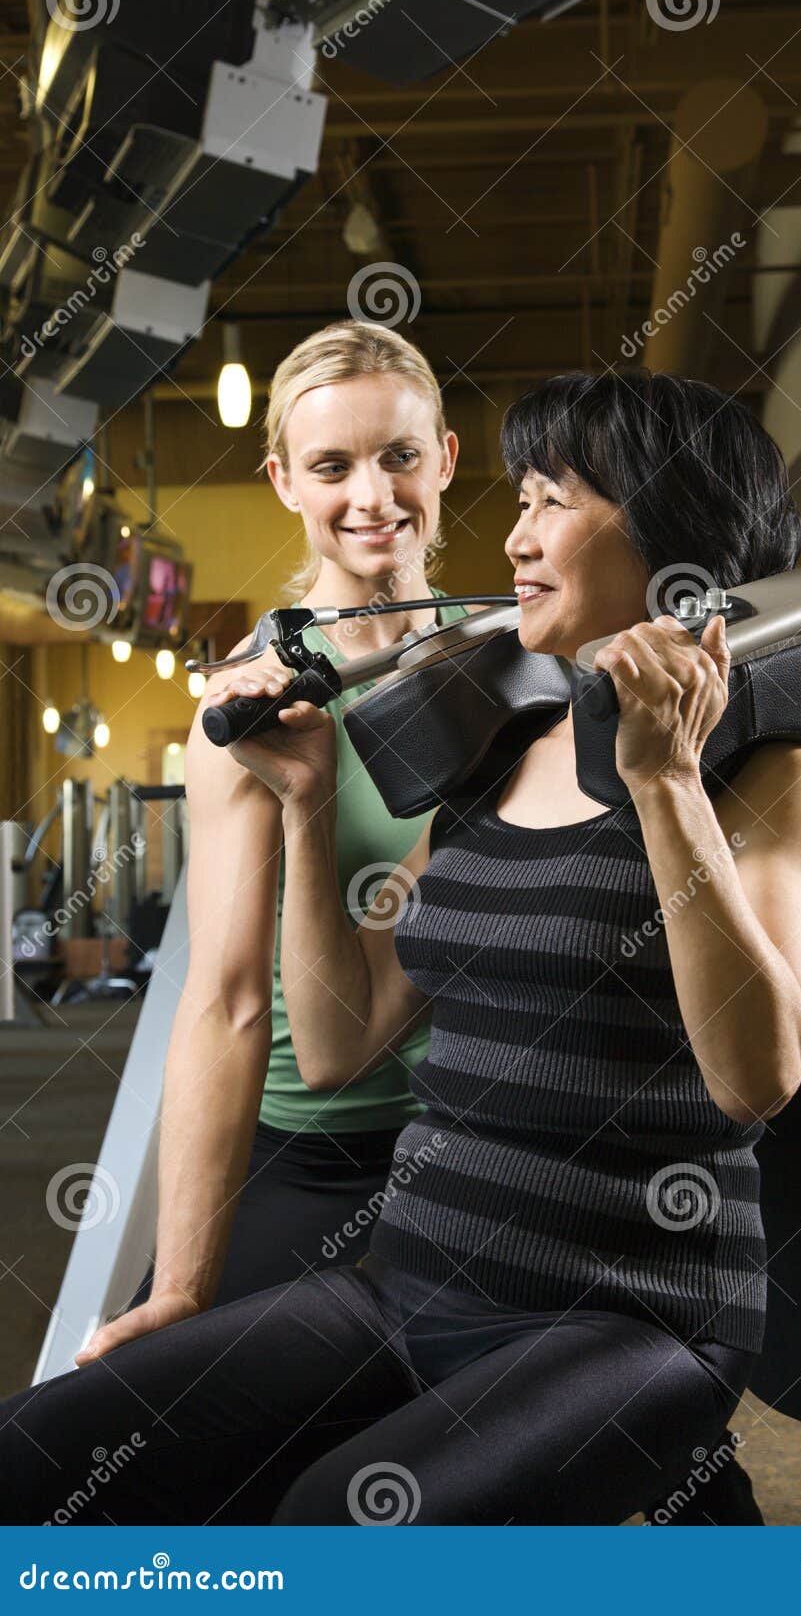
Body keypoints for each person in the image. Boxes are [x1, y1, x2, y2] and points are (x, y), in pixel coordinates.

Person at [0, 370, 801, 1526]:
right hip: (407, 1283)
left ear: (672, 534)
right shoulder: (503, 748)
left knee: (337, 1526)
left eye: (553, 500)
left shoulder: (772, 774)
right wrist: (303, 805)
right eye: (521, 498)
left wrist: (663, 781)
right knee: (39, 1448)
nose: (515, 536)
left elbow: (759, 1075)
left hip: (632, 1317)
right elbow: (343, 1040)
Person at [83, 320, 468, 1366]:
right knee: (199, 1429)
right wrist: (182, 1284)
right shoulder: (256, 702)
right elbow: (228, 998)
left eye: (398, 456)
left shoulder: (505, 663)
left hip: (474, 1134)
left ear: (444, 458)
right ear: (285, 481)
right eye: (332, 465)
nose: (372, 496)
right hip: (308, 1147)